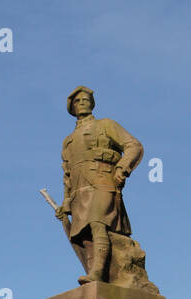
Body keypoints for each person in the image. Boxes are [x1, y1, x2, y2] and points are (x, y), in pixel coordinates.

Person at [57, 86, 144, 284]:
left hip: (103, 181)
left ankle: (97, 274)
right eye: (78, 101)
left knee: (98, 223)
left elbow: (134, 145)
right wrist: (65, 203)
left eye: (86, 99)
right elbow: (67, 174)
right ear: (72, 107)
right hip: (79, 192)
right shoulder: (68, 141)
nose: (83, 102)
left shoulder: (106, 125)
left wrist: (123, 168)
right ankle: (99, 276)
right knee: (84, 236)